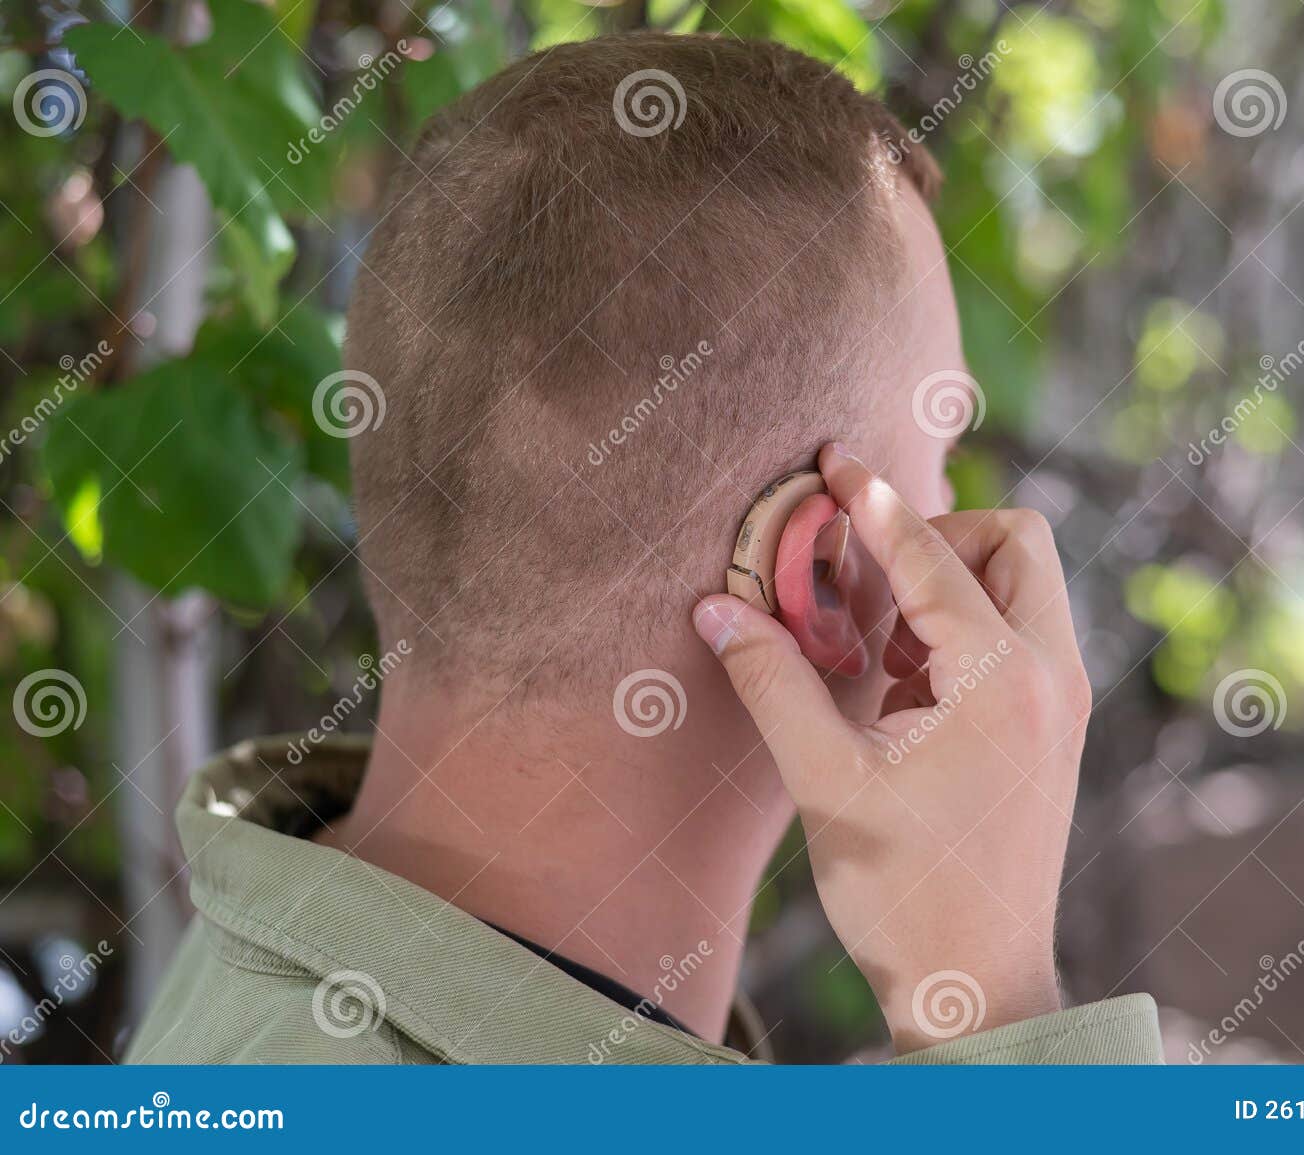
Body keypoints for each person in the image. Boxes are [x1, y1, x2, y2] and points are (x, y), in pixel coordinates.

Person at [127, 32, 1161, 1064]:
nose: (963, 519)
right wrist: (998, 1008)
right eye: (938, 450)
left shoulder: (270, 974)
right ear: (819, 574)